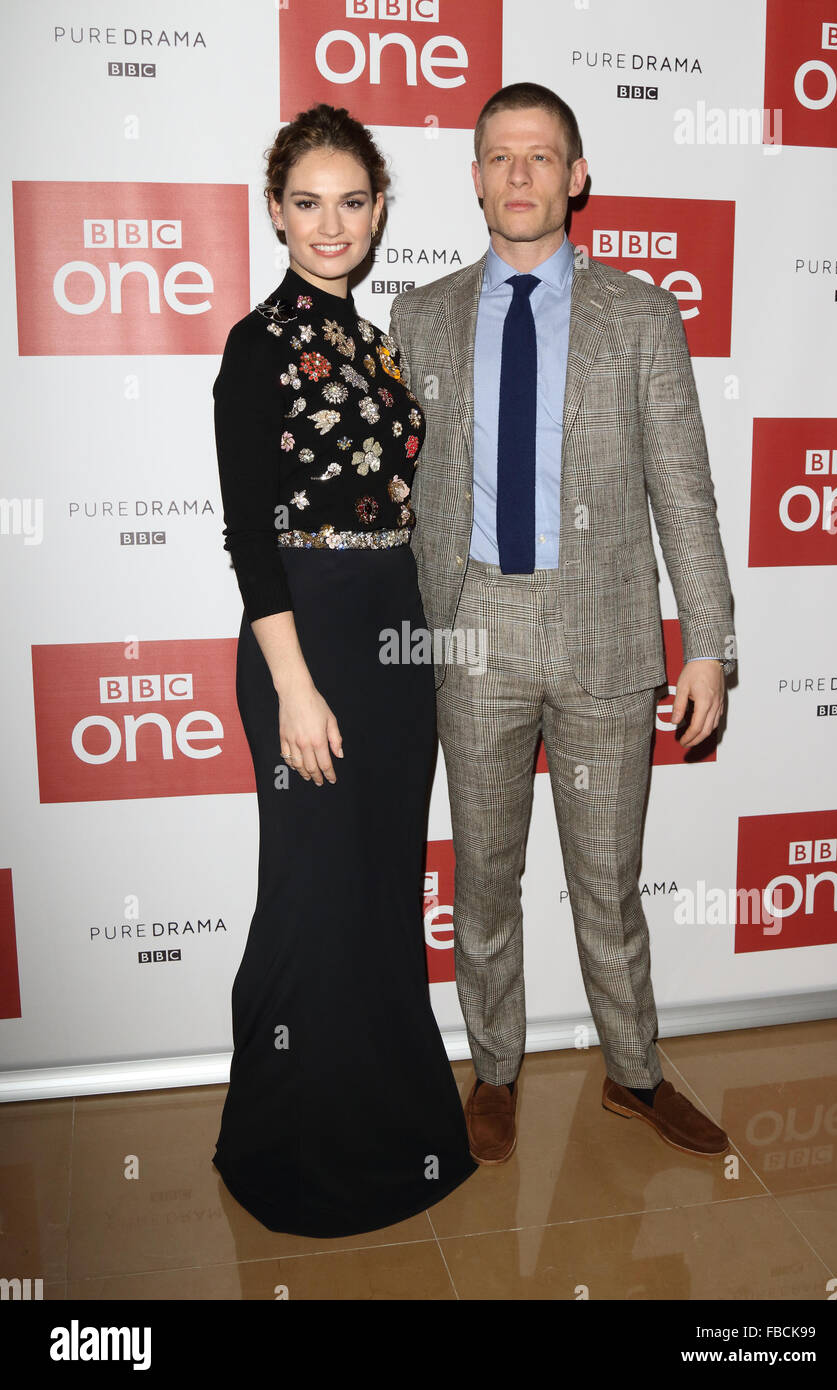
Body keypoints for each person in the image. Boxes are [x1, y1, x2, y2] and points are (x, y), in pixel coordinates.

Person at [389, 82, 736, 1165]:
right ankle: (494, 1068)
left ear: (575, 176)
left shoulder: (640, 313)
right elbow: (394, 494)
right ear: (477, 176)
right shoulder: (420, 314)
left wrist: (710, 643)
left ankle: (631, 1071)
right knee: (483, 877)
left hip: (604, 632)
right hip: (471, 625)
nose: (521, 176)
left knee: (606, 877)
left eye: (541, 157)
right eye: (500, 156)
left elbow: (683, 489)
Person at [211, 103, 476, 1237]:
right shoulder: (256, 345)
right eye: (307, 202)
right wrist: (295, 685)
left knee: (375, 893)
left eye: (352, 202)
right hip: (303, 635)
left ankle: (395, 1136)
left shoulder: (378, 342)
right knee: (312, 895)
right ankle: (292, 1150)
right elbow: (247, 532)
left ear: (376, 215)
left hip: (390, 628)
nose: (331, 224)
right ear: (275, 212)